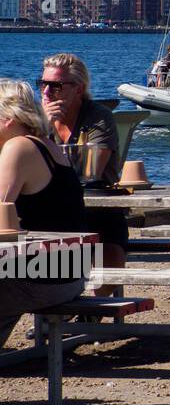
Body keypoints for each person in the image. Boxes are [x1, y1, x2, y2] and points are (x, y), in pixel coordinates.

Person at [0, 79, 86, 348]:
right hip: (71, 271)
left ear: (7, 118)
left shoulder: (19, 148)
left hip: (44, 275)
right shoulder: (46, 146)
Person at [40, 53, 124, 296]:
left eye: (55, 85)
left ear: (79, 89)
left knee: (108, 254)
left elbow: (91, 170)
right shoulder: (37, 120)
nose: (46, 92)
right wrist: (43, 128)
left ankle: (90, 307)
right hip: (53, 207)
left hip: (98, 207)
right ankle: (57, 305)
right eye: (42, 83)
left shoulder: (97, 117)